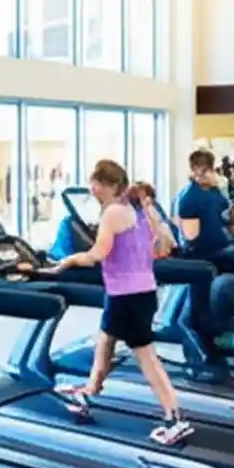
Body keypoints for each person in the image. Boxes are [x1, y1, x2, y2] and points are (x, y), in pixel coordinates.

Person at [45, 160, 192, 446]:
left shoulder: (112, 212)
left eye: (95, 184)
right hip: (142, 292)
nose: (92, 190)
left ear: (108, 185)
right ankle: (89, 390)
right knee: (105, 338)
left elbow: (97, 254)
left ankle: (174, 417)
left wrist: (66, 262)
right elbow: (165, 245)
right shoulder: (139, 211)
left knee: (147, 357)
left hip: (127, 296)